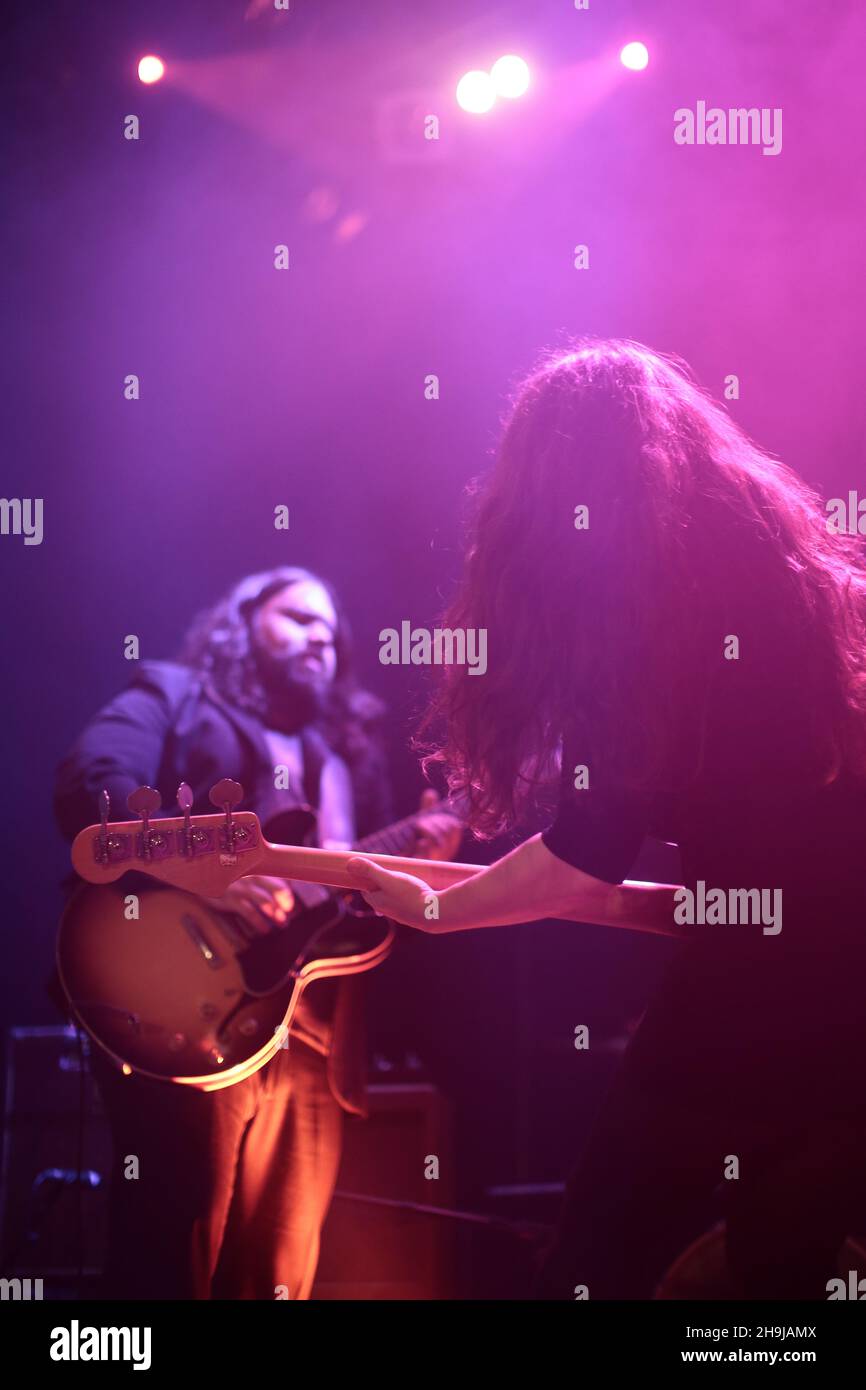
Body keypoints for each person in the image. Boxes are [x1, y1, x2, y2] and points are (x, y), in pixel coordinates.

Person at [348, 340, 866, 1300]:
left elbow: (585, 857)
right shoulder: (817, 596)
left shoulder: (639, 633)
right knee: (782, 1281)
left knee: (599, 1263)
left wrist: (432, 909)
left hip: (756, 1004)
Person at [54, 565, 461, 1300]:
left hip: (310, 1029)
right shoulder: (174, 695)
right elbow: (93, 788)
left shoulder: (340, 763)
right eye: (297, 618)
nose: (320, 638)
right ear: (242, 624)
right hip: (182, 999)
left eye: (330, 632)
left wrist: (414, 866)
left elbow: (337, 903)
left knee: (278, 1271)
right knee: (174, 1247)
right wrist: (207, 871)